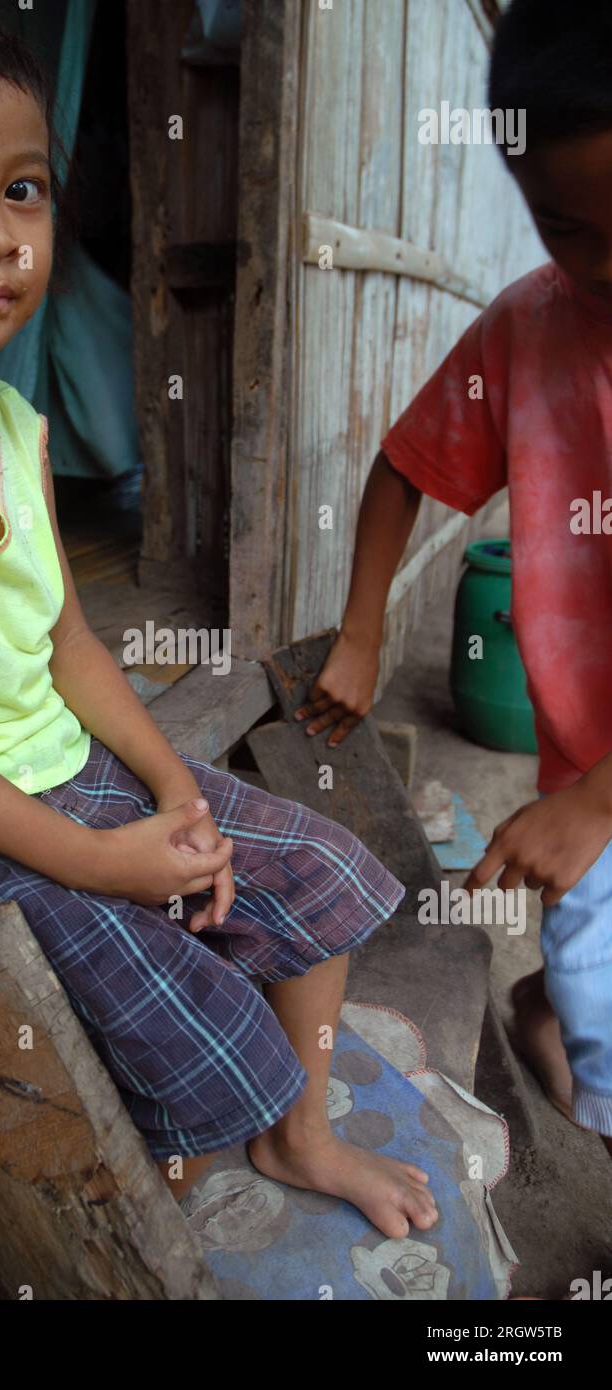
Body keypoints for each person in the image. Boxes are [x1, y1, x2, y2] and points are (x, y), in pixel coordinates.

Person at [0, 0, 436, 1238]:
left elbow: (67, 644)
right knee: (195, 1021)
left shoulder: (16, 425)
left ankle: (300, 1133)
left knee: (314, 871)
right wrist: (102, 863)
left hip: (71, 769)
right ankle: (159, 1178)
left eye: (27, 191)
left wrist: (169, 787)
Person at [298, 0, 612, 1158]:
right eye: (572, 227)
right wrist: (361, 631)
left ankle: (553, 1005)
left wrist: (590, 809)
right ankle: (562, 1011)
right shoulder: (528, 332)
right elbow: (405, 463)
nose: (609, 267)